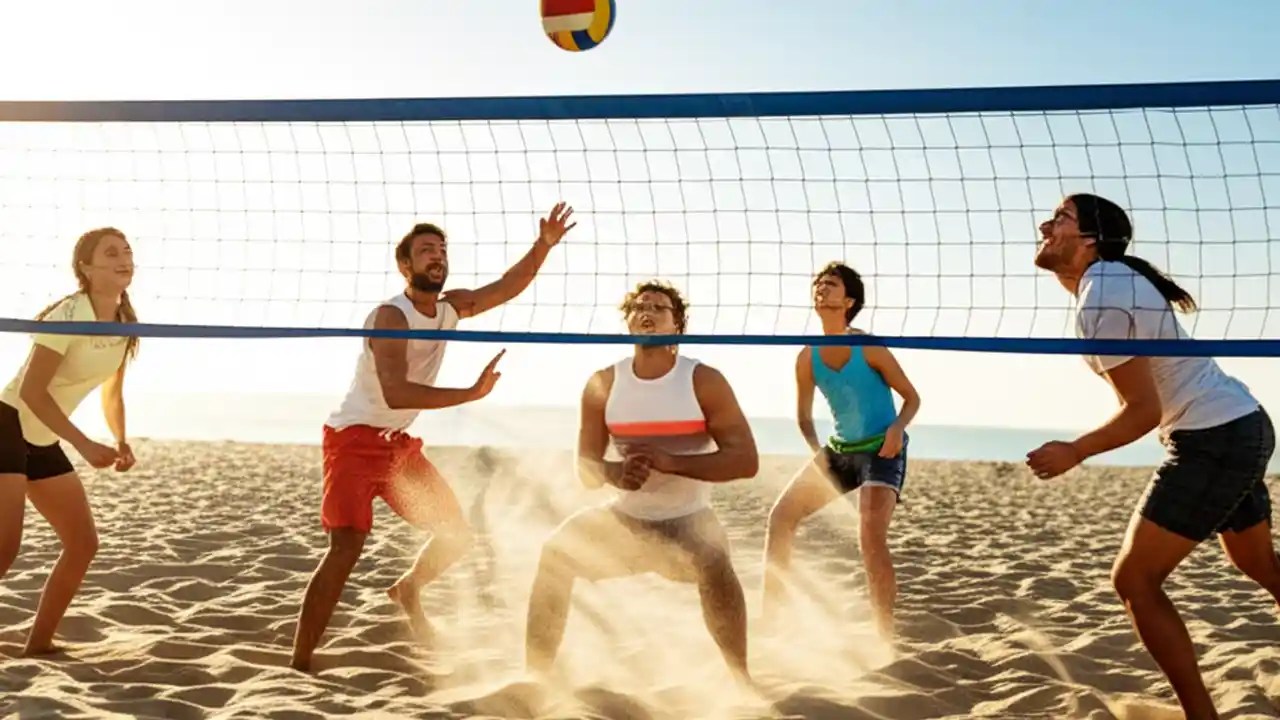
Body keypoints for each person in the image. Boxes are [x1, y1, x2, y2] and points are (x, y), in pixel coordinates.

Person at [290, 203, 577, 672]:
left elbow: (506, 288)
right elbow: (396, 391)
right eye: (426, 251)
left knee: (456, 534)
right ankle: (301, 662)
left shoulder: (449, 308)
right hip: (353, 441)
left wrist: (542, 246)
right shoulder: (391, 316)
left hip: (397, 445)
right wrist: (470, 393)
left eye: (441, 250)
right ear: (405, 265)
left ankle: (408, 589)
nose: (436, 257)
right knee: (346, 548)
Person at [1027, 192, 1277, 720]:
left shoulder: (1103, 296)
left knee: (1133, 581)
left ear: (1090, 239)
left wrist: (1074, 450)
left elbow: (1142, 412)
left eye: (1062, 218)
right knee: (1256, 563)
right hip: (1241, 423)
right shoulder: (1107, 285)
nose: (1046, 224)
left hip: (1215, 437)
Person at [523, 280, 759, 684]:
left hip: (688, 517)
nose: (646, 311)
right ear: (629, 322)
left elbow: (746, 461)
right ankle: (534, 679)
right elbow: (587, 469)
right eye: (638, 306)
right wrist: (617, 473)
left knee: (716, 561)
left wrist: (670, 462)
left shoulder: (703, 381)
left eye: (659, 307)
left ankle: (742, 680)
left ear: (677, 325)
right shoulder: (604, 383)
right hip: (626, 519)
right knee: (554, 554)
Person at [761, 261, 920, 642]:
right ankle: (771, 622)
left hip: (882, 450)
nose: (821, 287)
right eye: (817, 282)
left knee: (870, 537)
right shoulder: (807, 356)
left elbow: (912, 398)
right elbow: (802, 416)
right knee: (780, 518)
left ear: (848, 300)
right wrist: (817, 451)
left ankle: (884, 637)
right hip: (840, 452)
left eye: (830, 284)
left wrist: (897, 429)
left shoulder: (869, 347)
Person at [0, 227, 140, 656]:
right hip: (6, 424)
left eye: (127, 251)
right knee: (4, 550)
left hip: (41, 437)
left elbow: (111, 391)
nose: (124, 258)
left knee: (82, 544)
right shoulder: (68, 314)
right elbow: (31, 392)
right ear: (86, 267)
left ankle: (38, 645)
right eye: (111, 252)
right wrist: (82, 444)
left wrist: (120, 438)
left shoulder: (126, 323)